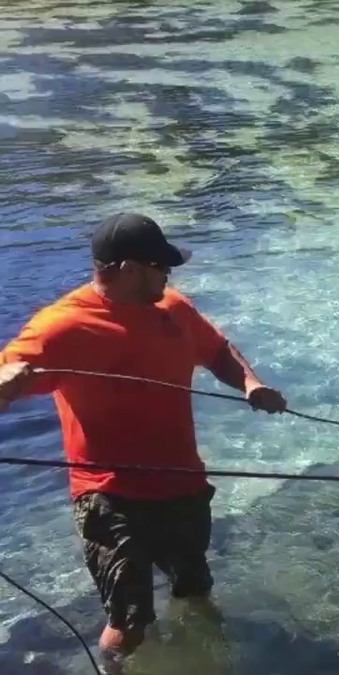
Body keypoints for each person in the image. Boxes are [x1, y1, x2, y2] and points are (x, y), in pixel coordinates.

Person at [0, 212, 288, 672]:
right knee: (130, 621)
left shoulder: (173, 308)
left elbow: (215, 349)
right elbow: (7, 374)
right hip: (109, 494)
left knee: (195, 589)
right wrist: (5, 382)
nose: (169, 276)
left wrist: (250, 384)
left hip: (182, 484)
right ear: (129, 269)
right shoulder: (61, 326)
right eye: (161, 267)